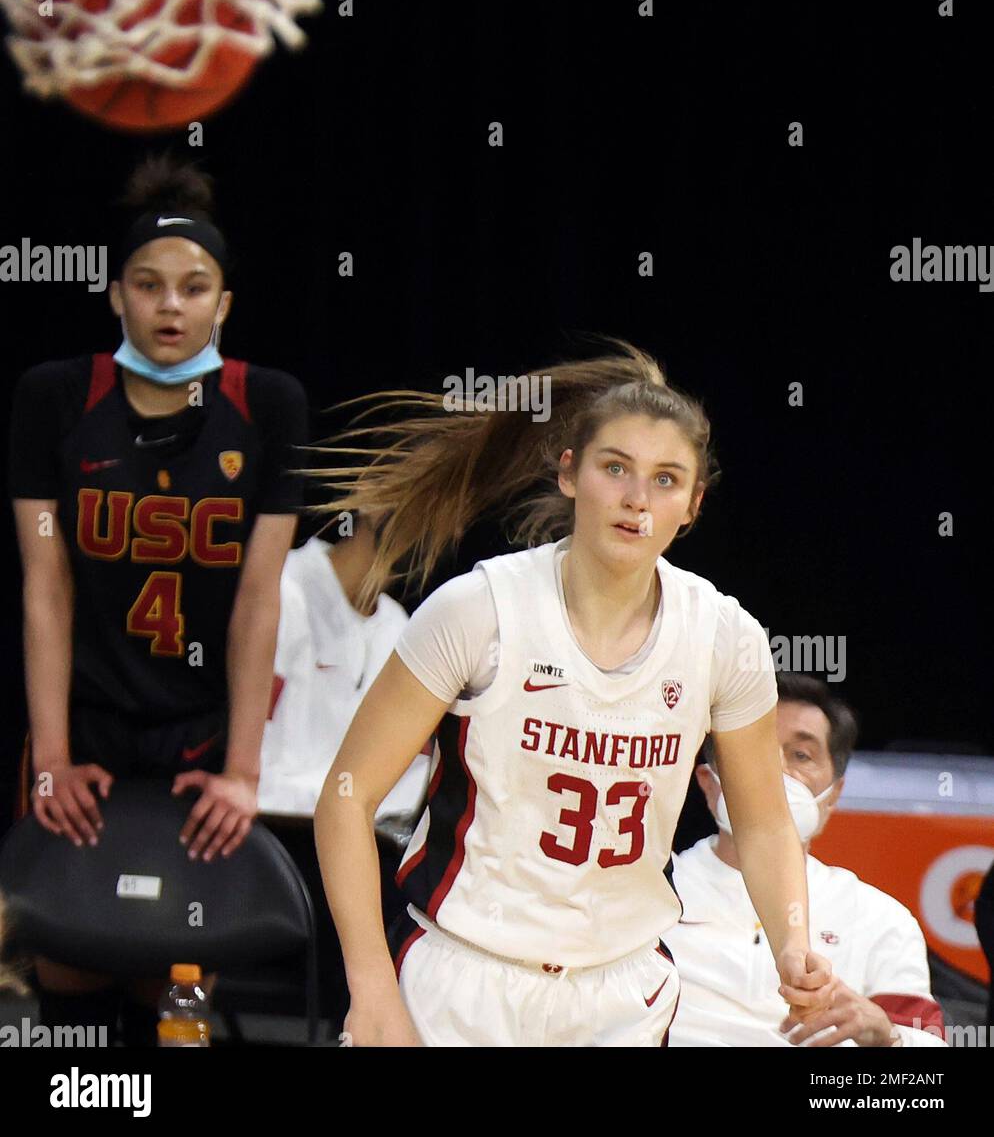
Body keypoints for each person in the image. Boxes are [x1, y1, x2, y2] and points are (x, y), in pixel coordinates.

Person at [314, 340, 836, 1047]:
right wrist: (371, 984)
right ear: (569, 472)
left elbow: (766, 822)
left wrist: (791, 944)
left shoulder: (725, 638)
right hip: (461, 977)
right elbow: (346, 798)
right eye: (615, 468)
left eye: (665, 480)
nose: (636, 499)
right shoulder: (479, 610)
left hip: (621, 993)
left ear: (693, 505)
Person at [8, 154, 307, 1045]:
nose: (170, 306)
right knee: (69, 962)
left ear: (224, 303)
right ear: (116, 296)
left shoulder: (267, 405)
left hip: (196, 737)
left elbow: (258, 599)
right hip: (85, 726)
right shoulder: (56, 397)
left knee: (177, 981)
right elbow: (46, 585)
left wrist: (243, 770)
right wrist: (51, 756)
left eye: (193, 287)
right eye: (148, 284)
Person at [665, 674, 947, 1047]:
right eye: (756, 749)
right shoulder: (651, 891)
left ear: (835, 795)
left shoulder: (880, 918)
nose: (777, 771)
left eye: (801, 755)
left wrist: (886, 1033)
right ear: (708, 781)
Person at [258, 516, 429, 825]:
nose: (438, 521)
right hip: (267, 828)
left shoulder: (402, 630)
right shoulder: (280, 586)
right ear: (368, 494)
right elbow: (254, 765)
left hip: (359, 836)